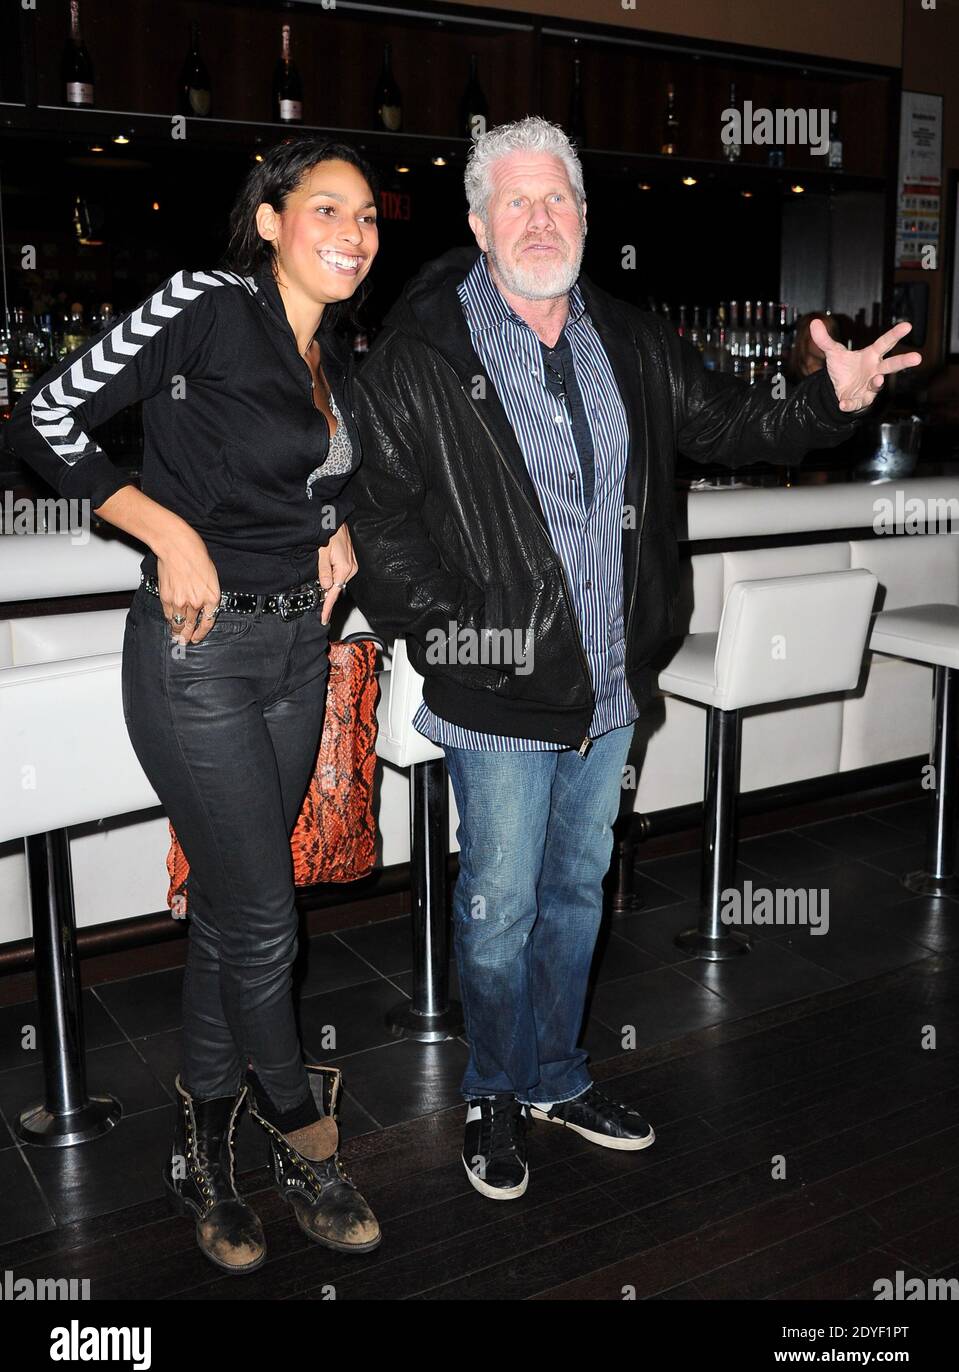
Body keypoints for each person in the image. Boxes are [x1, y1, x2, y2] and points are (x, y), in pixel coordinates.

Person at [341, 115, 921, 1200]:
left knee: (573, 895)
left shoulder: (629, 339)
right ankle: (491, 1090)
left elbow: (736, 422)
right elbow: (380, 527)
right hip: (499, 692)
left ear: (584, 219)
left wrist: (820, 401)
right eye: (515, 201)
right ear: (477, 224)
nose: (539, 218)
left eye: (557, 198)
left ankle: (555, 1076)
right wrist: (457, 630)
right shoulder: (422, 355)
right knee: (498, 907)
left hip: (610, 688)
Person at [6, 137, 383, 1268]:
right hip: (196, 654)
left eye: (366, 217)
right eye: (326, 210)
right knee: (268, 921)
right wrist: (165, 529)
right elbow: (45, 414)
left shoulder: (334, 349)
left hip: (294, 656)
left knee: (234, 909)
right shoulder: (209, 302)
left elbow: (296, 479)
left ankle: (203, 1146)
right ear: (268, 219)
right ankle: (304, 1131)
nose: (353, 235)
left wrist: (339, 529)